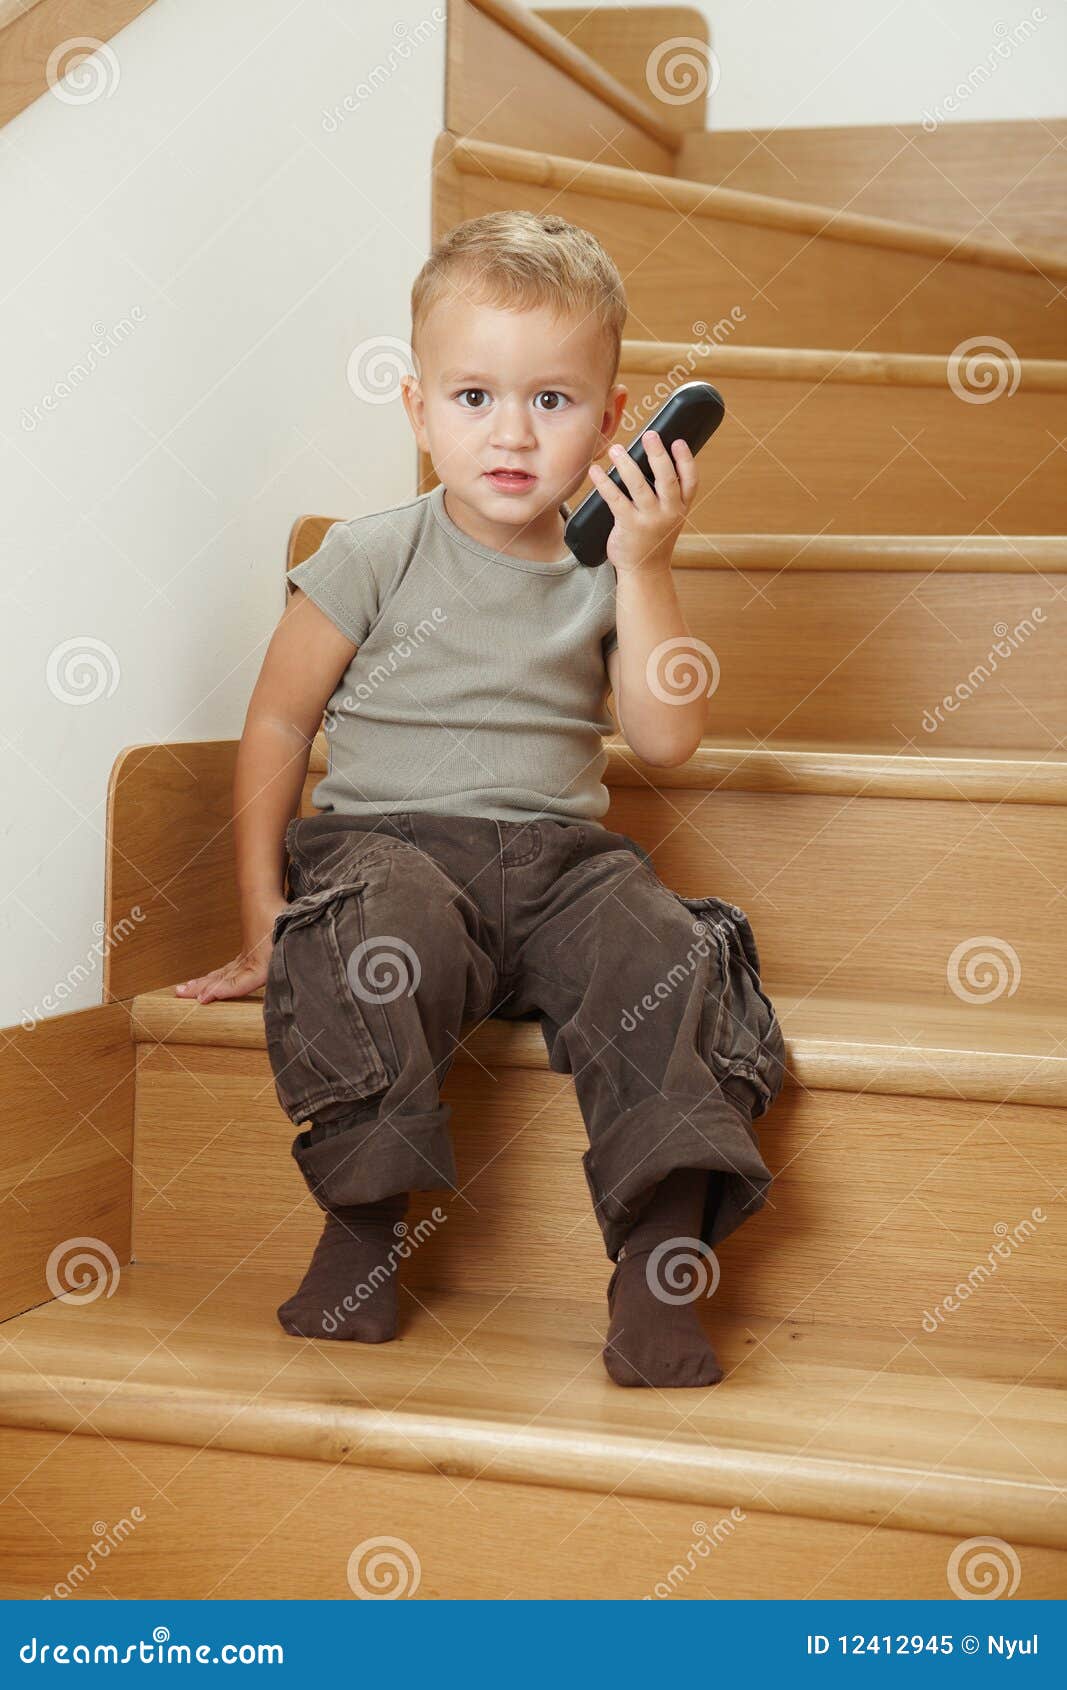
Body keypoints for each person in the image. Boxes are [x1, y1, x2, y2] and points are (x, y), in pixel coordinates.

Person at [175, 210, 786, 1388]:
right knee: (376, 928)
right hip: (385, 848)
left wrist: (645, 565)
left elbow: (665, 735)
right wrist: (262, 915)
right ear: (416, 409)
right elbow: (276, 725)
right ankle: (362, 1234)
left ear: (614, 425)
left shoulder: (609, 568)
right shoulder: (370, 553)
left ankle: (656, 1264)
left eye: (552, 403)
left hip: (562, 863)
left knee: (660, 946)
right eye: (472, 399)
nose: (510, 433)